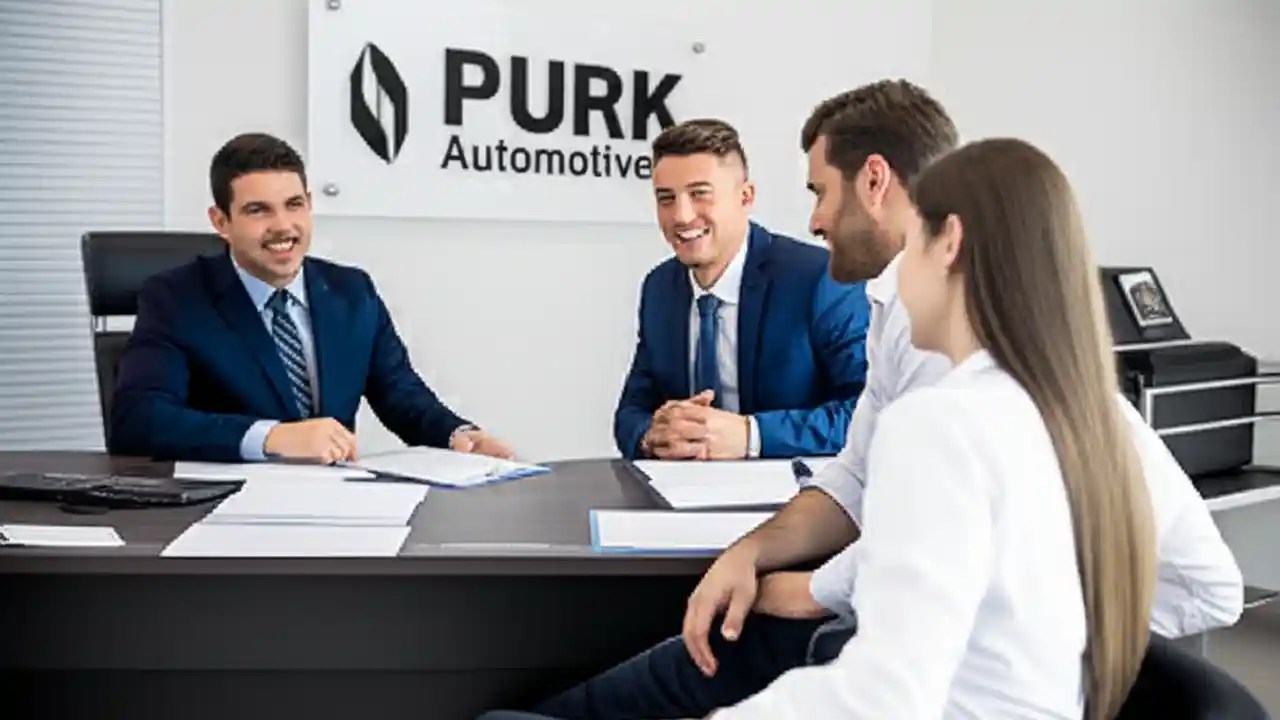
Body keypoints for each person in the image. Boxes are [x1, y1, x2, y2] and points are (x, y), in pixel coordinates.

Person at [482, 81, 1241, 720]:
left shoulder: (944, 415)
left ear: (940, 237)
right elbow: (1210, 588)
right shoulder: (1068, 399)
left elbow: (887, 690)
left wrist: (819, 588)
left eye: (817, 190)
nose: (812, 218)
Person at [110, 132, 512, 463]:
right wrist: (271, 437)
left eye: (294, 205)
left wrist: (458, 435)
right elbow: (139, 420)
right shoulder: (177, 298)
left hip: (340, 507)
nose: (283, 226)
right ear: (221, 221)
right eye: (258, 211)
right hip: (229, 514)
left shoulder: (351, 292)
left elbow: (401, 394)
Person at [614, 118, 870, 460]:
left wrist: (751, 435)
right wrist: (653, 435)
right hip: (682, 499)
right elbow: (632, 412)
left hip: (798, 499)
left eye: (699, 194)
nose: (682, 215)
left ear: (745, 197)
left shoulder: (818, 278)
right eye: (666, 199)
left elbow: (867, 412)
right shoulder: (660, 287)